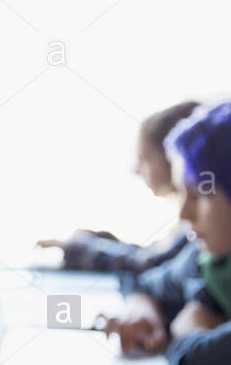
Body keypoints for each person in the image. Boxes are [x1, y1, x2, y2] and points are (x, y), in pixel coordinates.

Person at [103, 95, 231, 365]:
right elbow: (144, 281)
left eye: (200, 195)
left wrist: (188, 326)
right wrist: (142, 307)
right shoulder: (221, 260)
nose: (184, 214)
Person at [37, 100, 201, 272]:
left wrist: (78, 247)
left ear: (172, 158)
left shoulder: (196, 225)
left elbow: (148, 263)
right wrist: (97, 239)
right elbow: (153, 255)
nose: (137, 170)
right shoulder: (185, 226)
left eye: (144, 158)